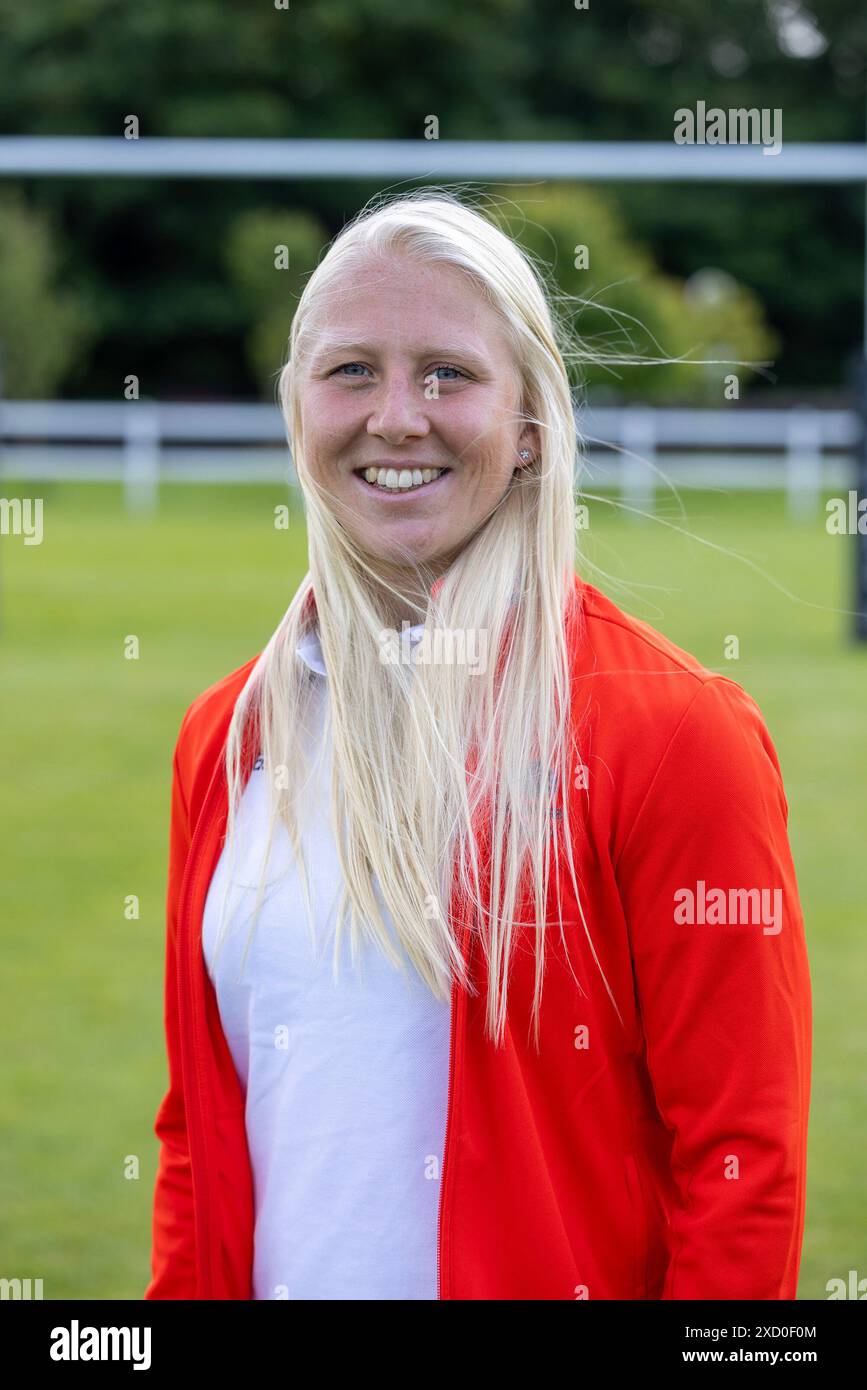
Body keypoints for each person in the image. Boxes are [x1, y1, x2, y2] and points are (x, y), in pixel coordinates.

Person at [144, 189, 812, 1301]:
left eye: (448, 373)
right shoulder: (228, 736)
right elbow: (196, 1138)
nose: (397, 416)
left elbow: (742, 1164)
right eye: (351, 370)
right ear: (293, 406)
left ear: (531, 423)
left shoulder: (674, 732)